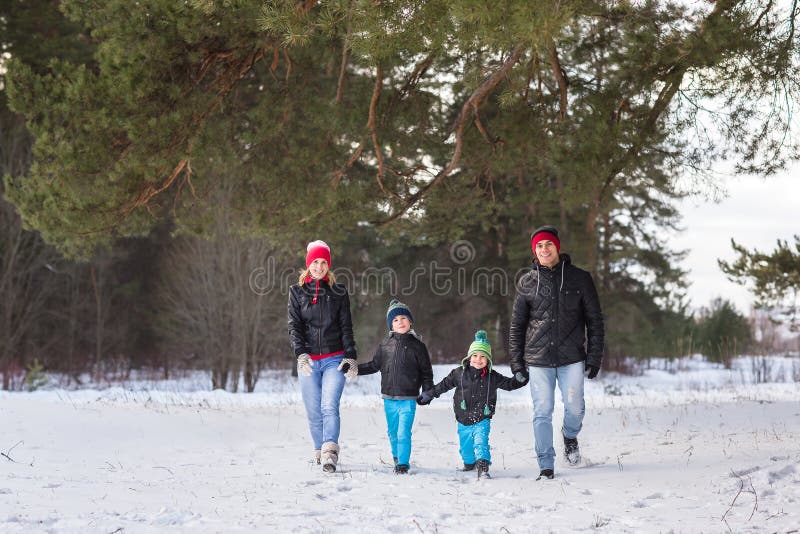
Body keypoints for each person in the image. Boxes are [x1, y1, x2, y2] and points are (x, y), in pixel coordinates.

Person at [509, 225, 604, 480]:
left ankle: (570, 436)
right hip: (538, 360)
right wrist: (517, 363)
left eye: (548, 244)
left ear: (557, 248)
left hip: (571, 357)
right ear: (534, 251)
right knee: (542, 411)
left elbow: (594, 320)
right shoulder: (527, 282)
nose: (544, 249)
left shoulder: (580, 279)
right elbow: (517, 326)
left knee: (574, 408)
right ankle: (546, 464)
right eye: (539, 246)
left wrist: (594, 357)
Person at [288, 240, 358, 473]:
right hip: (308, 361)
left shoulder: (338, 292)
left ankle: (330, 452)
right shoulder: (296, 292)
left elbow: (346, 326)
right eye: (315, 262)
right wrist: (301, 354)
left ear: (328, 266)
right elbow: (294, 327)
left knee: (329, 405)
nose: (319, 266)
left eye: (323, 262)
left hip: (334, 359)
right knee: (313, 409)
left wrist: (351, 356)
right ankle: (319, 449)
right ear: (308, 265)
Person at [417, 330, 527, 479]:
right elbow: (443, 386)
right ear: (469, 357)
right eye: (475, 356)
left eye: (483, 356)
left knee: (481, 442)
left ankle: (483, 466)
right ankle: (469, 463)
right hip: (463, 418)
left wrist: (519, 380)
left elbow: (508, 384)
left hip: (482, 417)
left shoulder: (492, 376)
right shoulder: (458, 373)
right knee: (466, 448)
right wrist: (429, 394)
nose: (478, 359)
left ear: (488, 360)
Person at [358, 299, 434, 474]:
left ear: (410, 321)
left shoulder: (418, 346)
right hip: (389, 398)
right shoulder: (385, 345)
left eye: (403, 318)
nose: (400, 322)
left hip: (408, 398)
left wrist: (428, 391)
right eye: (395, 319)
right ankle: (397, 457)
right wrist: (355, 369)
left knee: (403, 432)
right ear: (390, 325)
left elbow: (426, 372)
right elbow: (373, 365)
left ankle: (403, 463)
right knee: (392, 432)